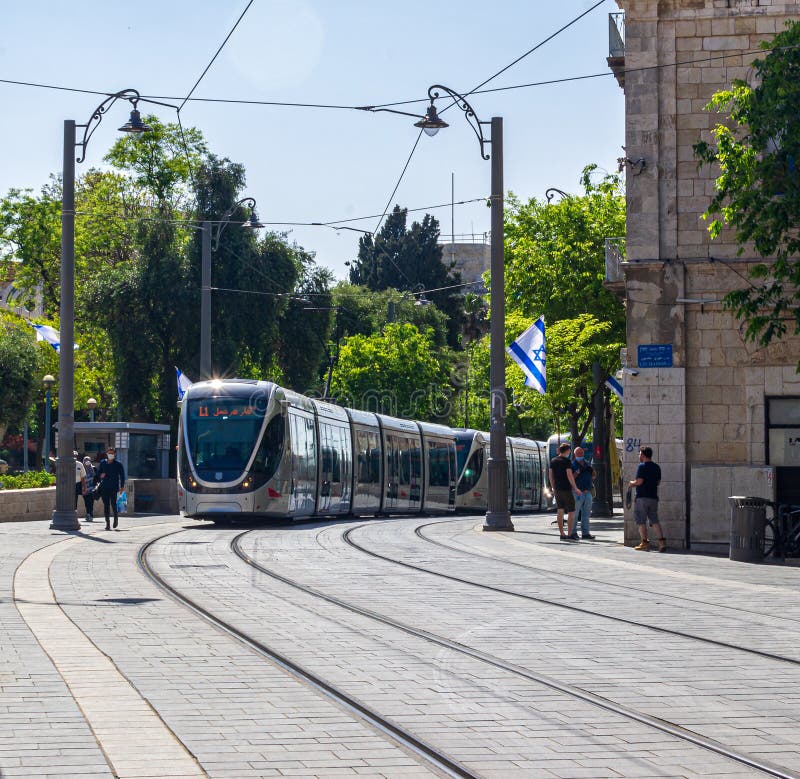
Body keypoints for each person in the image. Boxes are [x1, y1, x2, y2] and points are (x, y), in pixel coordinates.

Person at [630, 445, 667, 552]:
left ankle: (644, 543)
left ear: (643, 455)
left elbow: (639, 481)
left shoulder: (642, 466)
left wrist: (632, 483)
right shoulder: (657, 467)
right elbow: (658, 482)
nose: (638, 455)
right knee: (654, 520)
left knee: (641, 521)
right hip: (653, 497)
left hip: (642, 497)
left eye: (639, 454)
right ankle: (662, 542)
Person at [549, 442, 582, 541]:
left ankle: (562, 533)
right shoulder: (567, 461)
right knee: (572, 511)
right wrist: (575, 488)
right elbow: (569, 475)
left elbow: (550, 475)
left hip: (557, 489)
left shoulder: (553, 460)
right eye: (569, 451)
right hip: (566, 489)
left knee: (560, 510)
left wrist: (553, 487)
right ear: (567, 451)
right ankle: (570, 533)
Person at [96, 447, 125, 531]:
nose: (110, 455)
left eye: (112, 453)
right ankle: (107, 524)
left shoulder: (118, 464)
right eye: (109, 453)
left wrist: (122, 487)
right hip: (104, 487)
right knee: (106, 505)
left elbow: (122, 476)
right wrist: (101, 475)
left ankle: (116, 519)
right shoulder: (103, 463)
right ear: (106, 453)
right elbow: (98, 473)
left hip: (114, 487)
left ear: (115, 454)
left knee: (113, 504)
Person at [571, 447, 596, 540]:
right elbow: (570, 478)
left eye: (581, 453)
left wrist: (592, 474)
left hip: (587, 492)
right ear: (575, 454)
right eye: (578, 453)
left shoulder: (587, 463)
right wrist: (576, 473)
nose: (580, 455)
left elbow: (594, 475)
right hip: (577, 492)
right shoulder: (572, 464)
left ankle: (585, 533)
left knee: (586, 514)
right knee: (575, 513)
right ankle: (573, 532)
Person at [82, 456, 96, 521]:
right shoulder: (82, 469)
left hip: (92, 489)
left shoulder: (93, 468)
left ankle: (91, 514)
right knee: (86, 502)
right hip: (84, 489)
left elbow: (95, 477)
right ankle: (88, 514)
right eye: (85, 460)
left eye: (88, 460)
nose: (87, 462)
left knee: (91, 502)